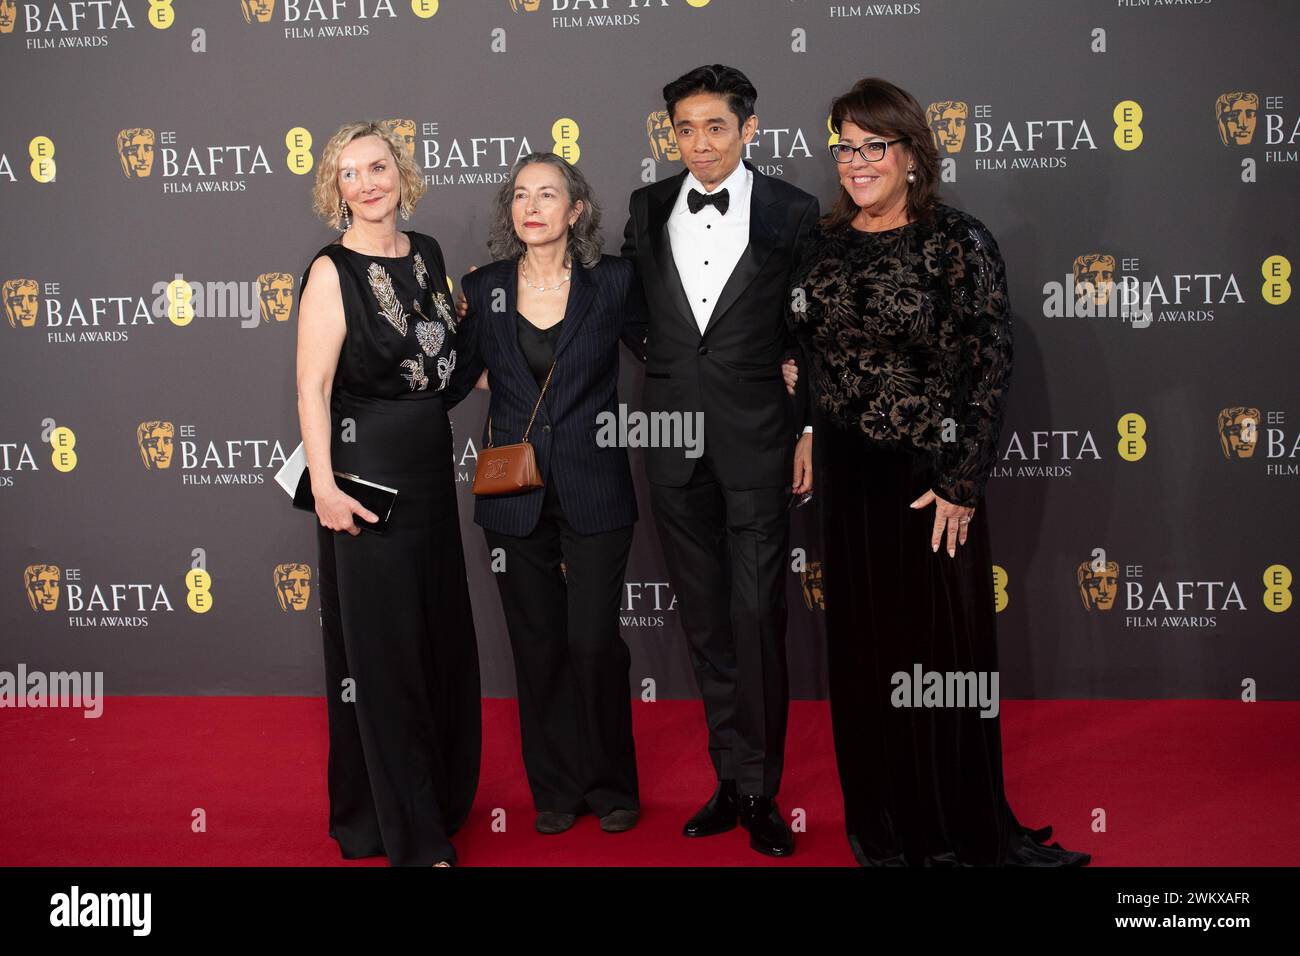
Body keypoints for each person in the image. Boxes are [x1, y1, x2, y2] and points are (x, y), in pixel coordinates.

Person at [785, 78, 1089, 866]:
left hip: (927, 476)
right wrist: (812, 423)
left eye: (872, 146)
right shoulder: (820, 242)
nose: (856, 162)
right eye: (844, 147)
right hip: (849, 482)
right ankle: (886, 826)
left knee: (936, 662)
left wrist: (961, 479)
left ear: (911, 153)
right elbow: (808, 351)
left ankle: (955, 826)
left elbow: (987, 361)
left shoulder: (959, 240)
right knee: (863, 654)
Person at [620, 64, 818, 858]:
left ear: (749, 129)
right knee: (704, 622)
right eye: (685, 129)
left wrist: (807, 430)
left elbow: (809, 331)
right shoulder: (647, 206)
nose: (698, 144)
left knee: (757, 617)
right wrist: (676, 370)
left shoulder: (792, 210)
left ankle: (763, 790)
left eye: (715, 127)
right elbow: (635, 314)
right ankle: (728, 781)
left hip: (760, 440)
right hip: (671, 444)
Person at [295, 121, 480, 867]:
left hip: (432, 473)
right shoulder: (329, 272)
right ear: (334, 190)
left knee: (435, 641)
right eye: (350, 174)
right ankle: (410, 834)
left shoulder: (428, 253)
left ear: (400, 171)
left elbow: (445, 358)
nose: (368, 184)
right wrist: (326, 488)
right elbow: (310, 385)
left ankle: (432, 797)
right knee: (387, 657)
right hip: (364, 481)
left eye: (378, 167)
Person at [456, 153, 641, 835]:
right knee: (537, 645)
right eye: (520, 195)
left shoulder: (614, 281)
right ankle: (557, 790)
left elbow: (675, 349)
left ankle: (613, 784)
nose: (532, 206)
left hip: (595, 486)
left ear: (577, 209)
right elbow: (455, 374)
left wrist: (772, 363)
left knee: (592, 642)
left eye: (548, 194)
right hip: (513, 490)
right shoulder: (485, 287)